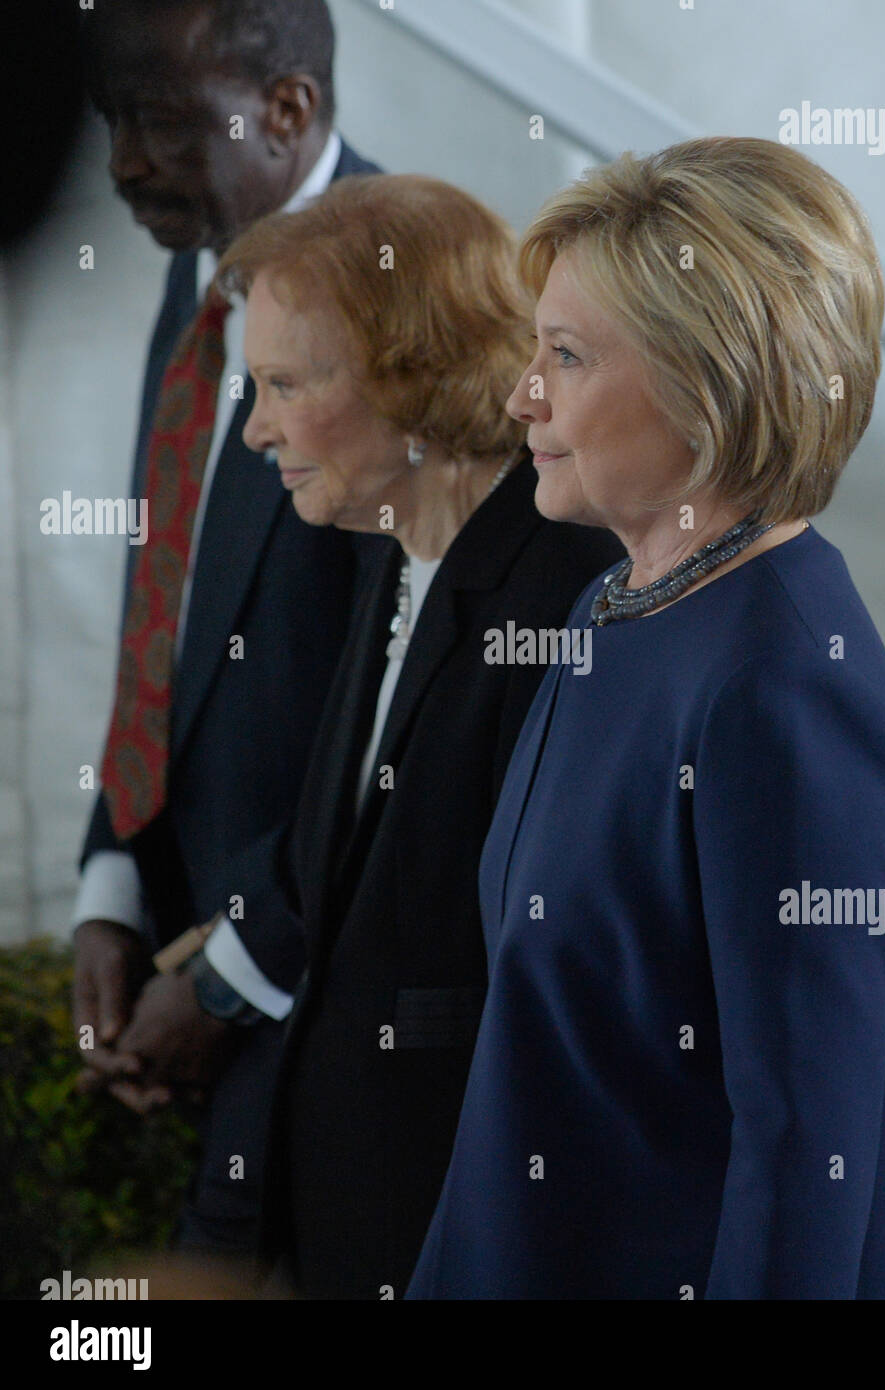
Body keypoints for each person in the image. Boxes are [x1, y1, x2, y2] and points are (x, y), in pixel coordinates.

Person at [406, 137, 885, 1300]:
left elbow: (808, 1151)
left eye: (564, 355)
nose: (523, 393)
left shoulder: (781, 684)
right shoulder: (612, 603)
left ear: (709, 387)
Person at [214, 171, 623, 1298]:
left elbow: (558, 992)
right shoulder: (399, 558)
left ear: (417, 369)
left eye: (288, 384)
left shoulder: (565, 594)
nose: (257, 430)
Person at [70, 0, 381, 1256]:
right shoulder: (203, 270)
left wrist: (235, 965)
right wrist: (115, 882)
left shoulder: (397, 304)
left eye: (156, 124)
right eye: (109, 122)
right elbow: (172, 613)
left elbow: (393, 715)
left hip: (328, 1002)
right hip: (192, 966)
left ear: (290, 109)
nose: (121, 166)